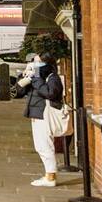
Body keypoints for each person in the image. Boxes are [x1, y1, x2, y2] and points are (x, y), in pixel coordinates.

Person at [24, 52, 64, 186]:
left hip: (45, 115)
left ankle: (50, 177)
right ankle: (48, 174)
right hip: (37, 114)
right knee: (40, 146)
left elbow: (49, 93)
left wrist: (36, 78)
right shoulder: (40, 77)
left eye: (38, 63)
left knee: (45, 146)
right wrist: (26, 77)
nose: (35, 65)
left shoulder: (52, 78)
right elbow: (19, 90)